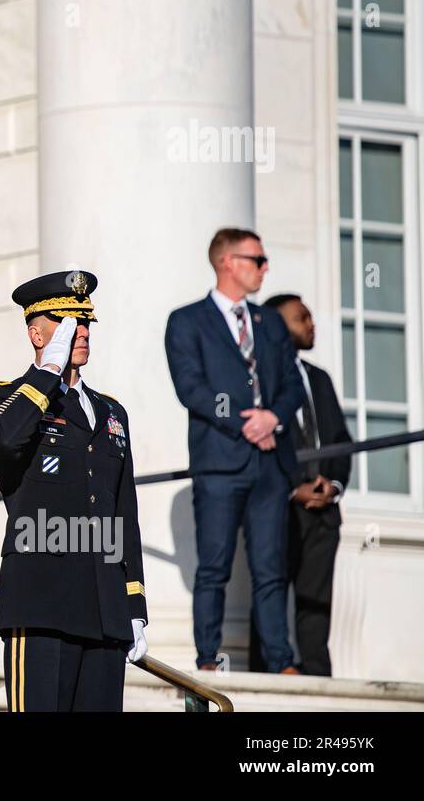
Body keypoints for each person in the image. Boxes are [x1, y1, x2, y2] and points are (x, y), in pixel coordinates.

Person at [0, 271, 148, 711]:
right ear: (36, 332)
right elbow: (3, 439)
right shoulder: (4, 398)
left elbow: (123, 512)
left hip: (104, 605)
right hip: (41, 601)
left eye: (86, 322)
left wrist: (134, 602)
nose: (82, 332)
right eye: (67, 323)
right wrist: (47, 371)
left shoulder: (112, 412)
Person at [164, 228, 304, 674]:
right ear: (228, 262)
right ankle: (208, 659)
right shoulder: (186, 321)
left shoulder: (270, 323)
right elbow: (191, 389)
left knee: (270, 568)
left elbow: (292, 385)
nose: (265, 268)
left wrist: (273, 418)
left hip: (269, 464)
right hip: (221, 463)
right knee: (214, 566)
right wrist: (246, 422)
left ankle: (281, 661)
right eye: (257, 259)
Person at [246, 294, 350, 676]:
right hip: (280, 504)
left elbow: (341, 438)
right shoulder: (261, 380)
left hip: (325, 511)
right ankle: (264, 675)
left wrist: (333, 484)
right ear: (275, 324)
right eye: (300, 317)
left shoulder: (319, 378)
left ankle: (318, 678)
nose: (311, 323)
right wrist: (294, 487)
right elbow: (261, 440)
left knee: (316, 601)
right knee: (270, 590)